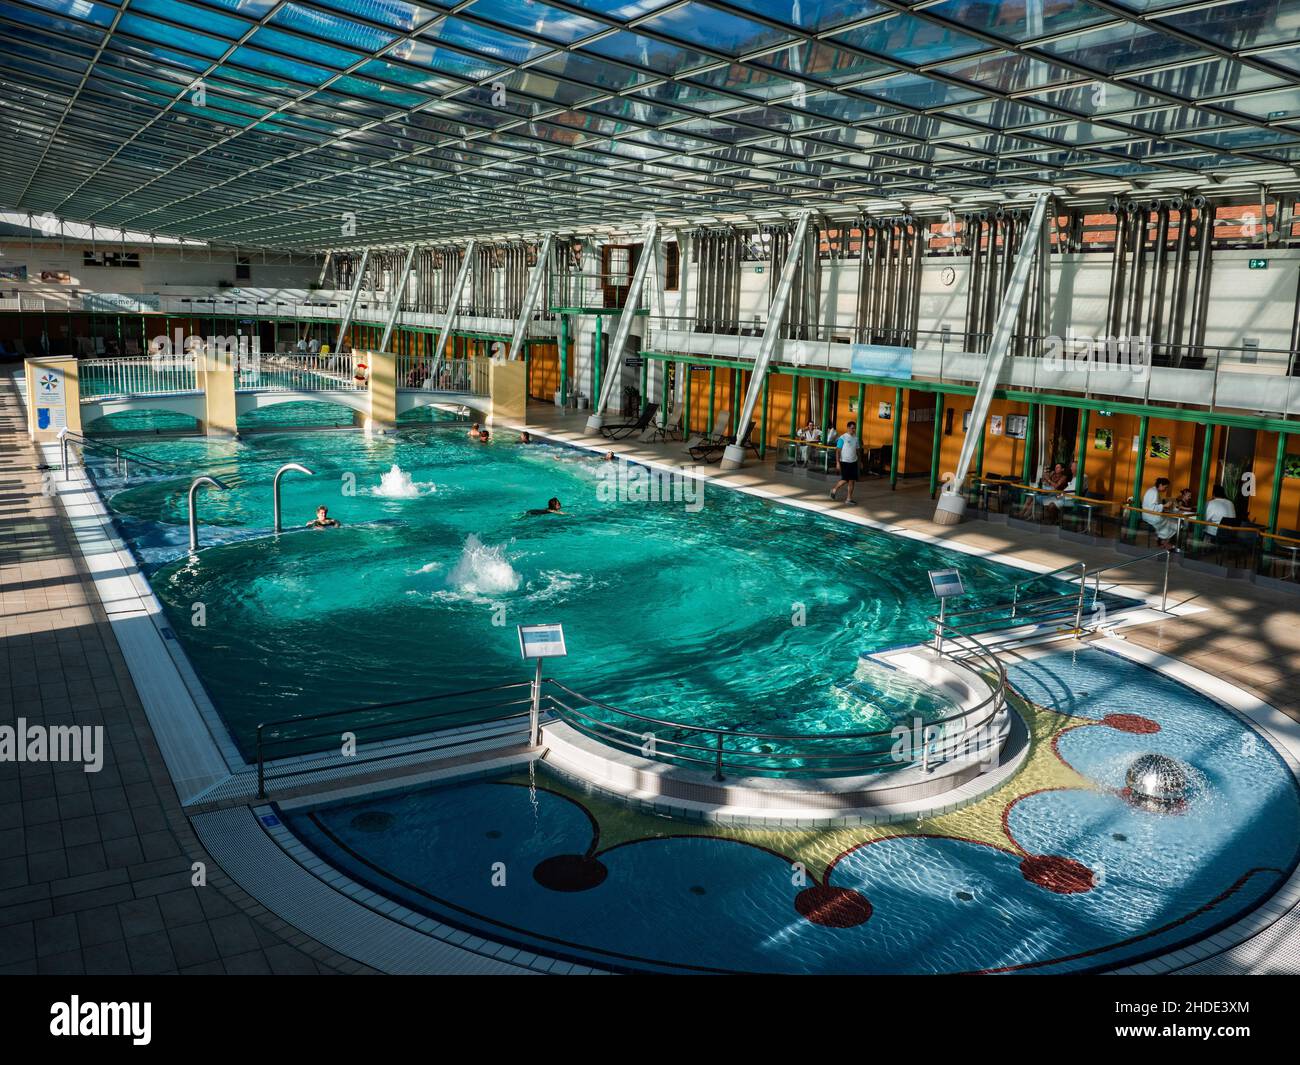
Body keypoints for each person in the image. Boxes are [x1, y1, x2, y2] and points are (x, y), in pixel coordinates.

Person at [1141, 477, 1181, 549]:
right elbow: (1152, 508)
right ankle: (1164, 542)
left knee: (1171, 520)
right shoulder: (1154, 492)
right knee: (1174, 523)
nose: (1166, 489)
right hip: (1150, 516)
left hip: (1149, 514)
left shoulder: (1152, 491)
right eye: (1166, 487)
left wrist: (1164, 507)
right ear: (1160, 485)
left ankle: (1162, 541)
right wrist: (1164, 505)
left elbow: (1154, 507)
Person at [831, 420, 861, 504]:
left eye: (854, 428)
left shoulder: (856, 438)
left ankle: (848, 499)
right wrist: (837, 462)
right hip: (844, 462)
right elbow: (838, 451)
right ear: (848, 428)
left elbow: (858, 450)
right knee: (845, 479)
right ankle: (834, 489)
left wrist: (859, 461)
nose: (853, 430)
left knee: (852, 481)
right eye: (852, 428)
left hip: (853, 462)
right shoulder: (842, 438)